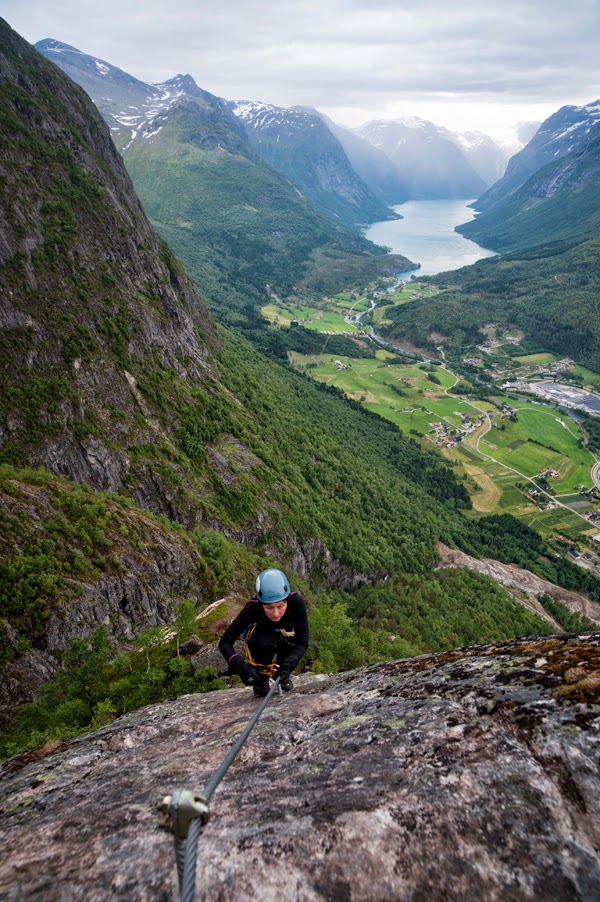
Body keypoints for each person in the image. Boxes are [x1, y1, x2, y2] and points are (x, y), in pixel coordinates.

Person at [219, 568, 309, 698]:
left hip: (286, 634)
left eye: (280, 606)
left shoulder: (296, 602)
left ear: (287, 600)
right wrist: (241, 668)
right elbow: (225, 642)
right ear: (261, 603)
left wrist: (289, 664)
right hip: (261, 634)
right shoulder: (253, 607)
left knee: (290, 641)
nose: (276, 613)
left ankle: (282, 675)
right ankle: (261, 680)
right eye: (269, 607)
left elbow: (302, 641)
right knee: (262, 643)